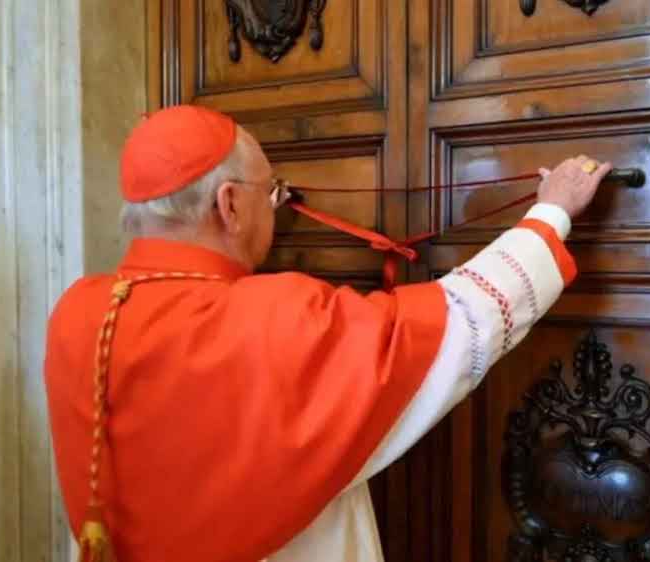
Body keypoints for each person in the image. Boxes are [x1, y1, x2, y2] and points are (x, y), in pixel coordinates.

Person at [44, 104, 613, 562]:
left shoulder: (79, 311)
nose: (278, 207)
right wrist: (551, 214)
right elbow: (455, 321)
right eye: (271, 194)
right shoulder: (274, 318)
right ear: (229, 205)